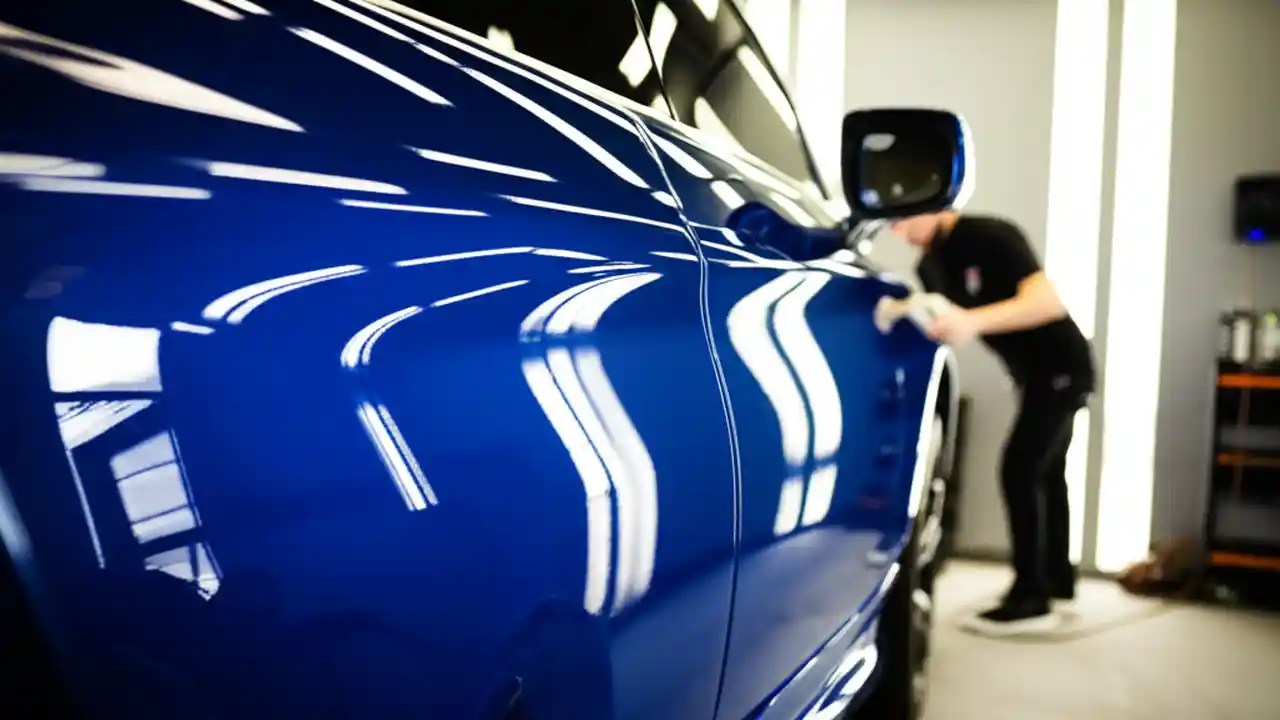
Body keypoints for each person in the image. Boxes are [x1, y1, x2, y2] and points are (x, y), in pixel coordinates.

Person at [891, 210, 1096, 636]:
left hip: (1063, 367)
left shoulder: (990, 235)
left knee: (1020, 471)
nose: (895, 229)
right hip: (1032, 376)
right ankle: (1057, 580)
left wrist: (972, 321)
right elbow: (946, 319)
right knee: (1046, 473)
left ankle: (1031, 596)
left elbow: (1045, 302)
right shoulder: (929, 265)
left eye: (901, 217)